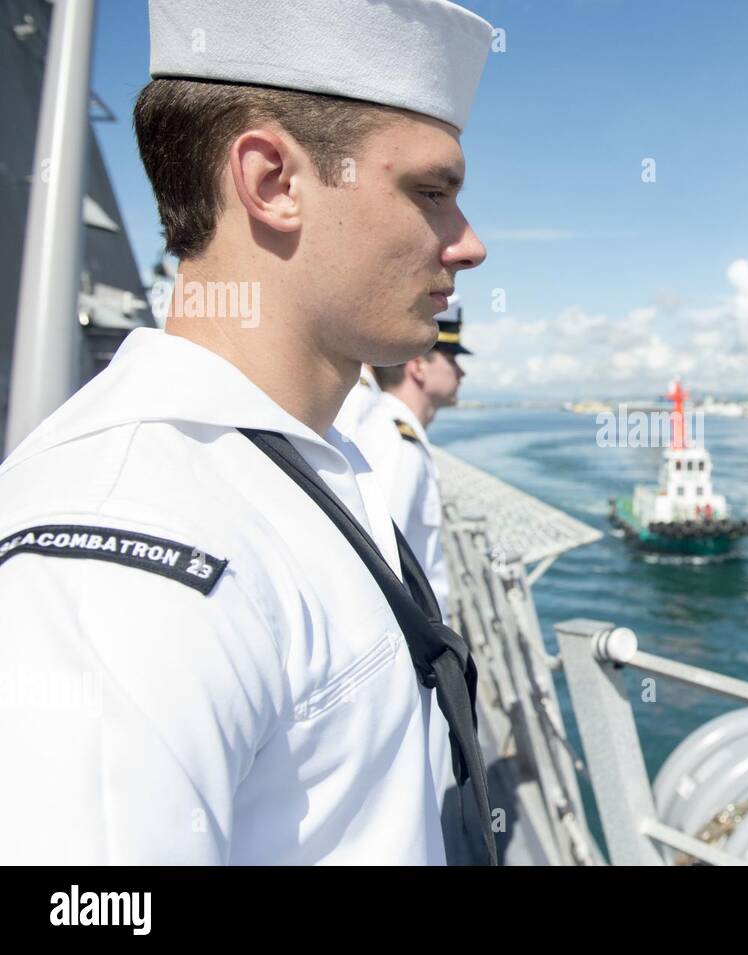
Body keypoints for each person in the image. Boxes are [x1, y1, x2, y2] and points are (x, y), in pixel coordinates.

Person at [0, 0, 495, 865]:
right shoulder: (128, 543)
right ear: (272, 183)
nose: (469, 243)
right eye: (430, 192)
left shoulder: (302, 460)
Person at [348, 299, 470, 803]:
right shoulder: (394, 441)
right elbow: (380, 568)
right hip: (407, 671)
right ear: (419, 365)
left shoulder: (396, 433)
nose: (461, 369)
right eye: (452, 356)